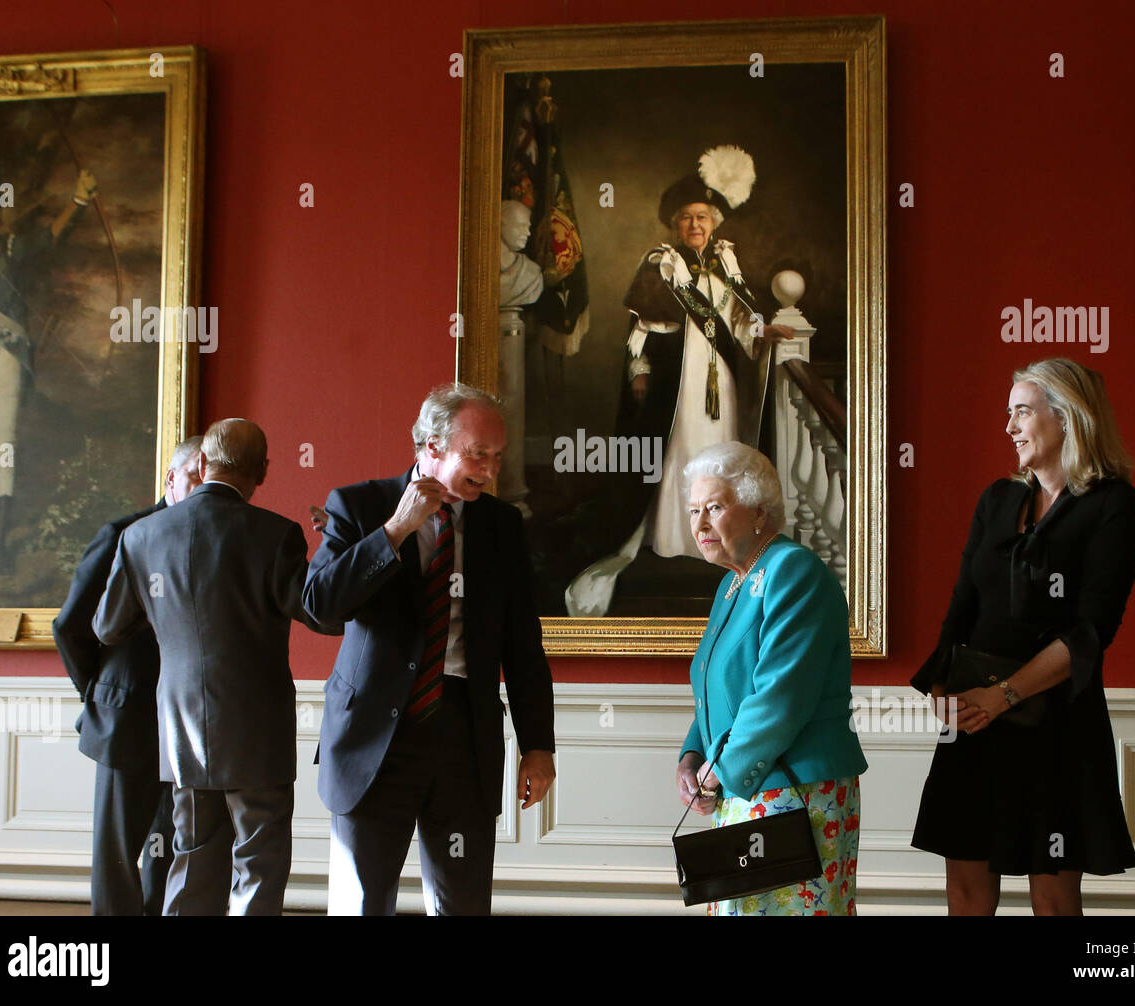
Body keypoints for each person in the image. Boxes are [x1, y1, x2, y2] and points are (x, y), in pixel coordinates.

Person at [304, 383, 556, 915]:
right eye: (477, 454)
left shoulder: (502, 526)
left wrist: (538, 745)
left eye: (497, 457)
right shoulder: (358, 505)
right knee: (362, 903)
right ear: (432, 446)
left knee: (463, 903)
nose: (490, 471)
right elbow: (321, 606)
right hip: (374, 737)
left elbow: (524, 645)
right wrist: (394, 532)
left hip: (465, 737)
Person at [909, 358, 1135, 915]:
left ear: (1067, 416)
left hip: (1058, 724)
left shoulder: (1113, 505)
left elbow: (1090, 632)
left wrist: (1006, 693)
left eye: (1021, 411)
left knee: (1054, 899)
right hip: (973, 721)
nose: (1009, 427)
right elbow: (960, 608)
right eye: (1008, 413)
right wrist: (946, 689)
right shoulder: (996, 500)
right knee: (965, 892)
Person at [92, 418, 334, 915]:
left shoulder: (141, 536)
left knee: (192, 854)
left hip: (180, 723)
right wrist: (334, 546)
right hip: (257, 727)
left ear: (202, 465)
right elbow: (319, 612)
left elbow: (106, 627)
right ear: (262, 472)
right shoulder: (277, 535)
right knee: (259, 862)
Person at [565, 146, 792, 617]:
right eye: (687, 218)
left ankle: (720, 537)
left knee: (721, 451)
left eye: (703, 217)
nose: (695, 226)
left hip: (721, 383)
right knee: (682, 451)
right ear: (675, 223)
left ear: (715, 223)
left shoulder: (727, 264)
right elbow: (640, 332)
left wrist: (762, 331)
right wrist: (641, 372)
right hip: (680, 384)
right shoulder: (662, 264)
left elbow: (740, 319)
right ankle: (673, 536)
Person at [675, 441, 867, 916]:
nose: (699, 524)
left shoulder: (792, 570)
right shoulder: (733, 583)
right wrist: (692, 757)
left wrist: (717, 770)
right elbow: (715, 690)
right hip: (745, 785)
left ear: (759, 509)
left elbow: (779, 696)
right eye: (694, 509)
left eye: (715, 507)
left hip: (797, 790)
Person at [51, 435, 201, 915]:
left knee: (172, 846)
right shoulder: (122, 534)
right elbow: (70, 625)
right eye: (193, 475)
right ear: (171, 479)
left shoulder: (209, 537)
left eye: (209, 475)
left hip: (186, 722)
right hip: (125, 718)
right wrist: (97, 691)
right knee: (117, 855)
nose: (201, 486)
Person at [0, 171, 96, 573]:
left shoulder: (13, 250)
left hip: (2, 362)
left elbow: (50, 237)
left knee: (2, 449)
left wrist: (79, 201)